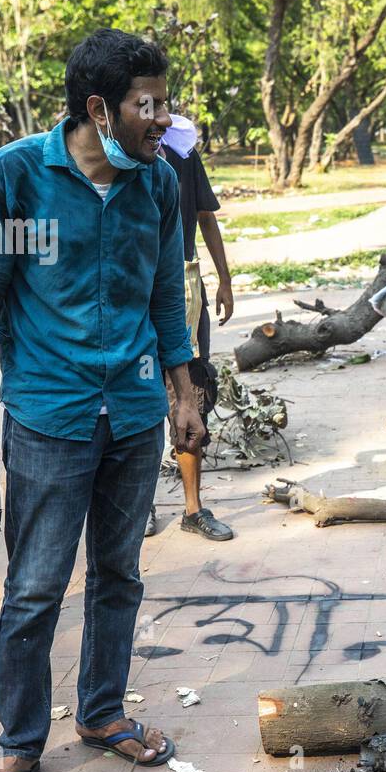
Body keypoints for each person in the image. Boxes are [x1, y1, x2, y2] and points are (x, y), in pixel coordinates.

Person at [0, 29, 203, 772]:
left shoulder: (154, 184)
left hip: (131, 413)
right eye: (148, 105)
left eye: (164, 102)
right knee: (35, 587)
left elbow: (164, 300)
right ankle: (20, 741)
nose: (164, 120)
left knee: (119, 573)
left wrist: (182, 395)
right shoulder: (17, 179)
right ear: (99, 108)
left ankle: (101, 713)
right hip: (49, 417)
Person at [144, 114, 235, 541]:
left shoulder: (181, 152)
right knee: (139, 397)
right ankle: (139, 505)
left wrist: (225, 280)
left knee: (191, 393)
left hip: (183, 284)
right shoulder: (111, 158)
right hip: (134, 290)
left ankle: (193, 508)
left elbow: (205, 216)